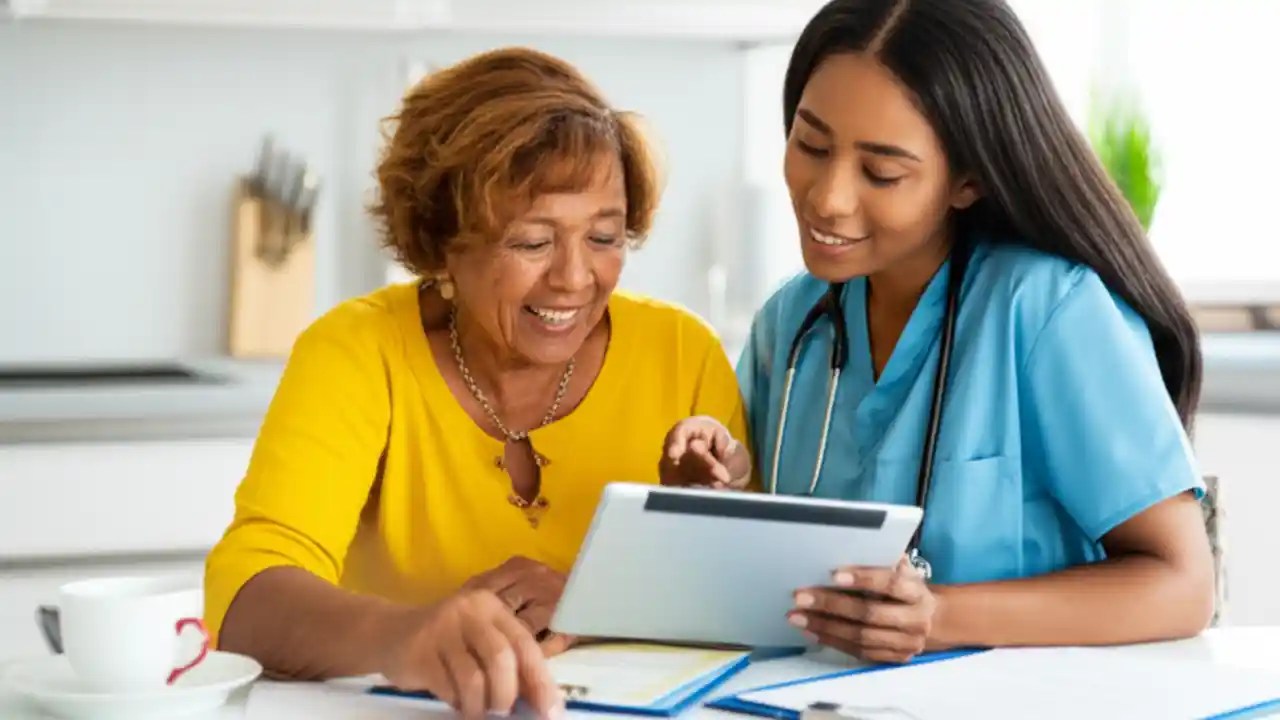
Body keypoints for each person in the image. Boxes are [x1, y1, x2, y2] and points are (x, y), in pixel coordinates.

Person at [663, 0, 1215, 664]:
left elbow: (1184, 586)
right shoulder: (791, 322)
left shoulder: (1047, 310)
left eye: (882, 172)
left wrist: (941, 616)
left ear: (968, 180)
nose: (827, 198)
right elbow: (764, 561)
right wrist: (713, 491)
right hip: (812, 699)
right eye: (811, 145)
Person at [204, 47, 747, 720]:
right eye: (532, 243)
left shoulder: (681, 353)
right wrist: (407, 635)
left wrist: (602, 602)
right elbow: (244, 600)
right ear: (444, 246)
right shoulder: (359, 351)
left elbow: (750, 597)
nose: (575, 278)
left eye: (604, 238)